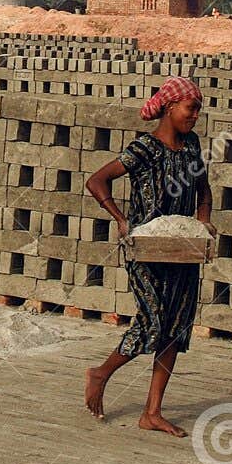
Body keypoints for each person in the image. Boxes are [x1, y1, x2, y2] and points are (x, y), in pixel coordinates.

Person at [84, 76, 213, 436]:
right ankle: (100, 373)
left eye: (198, 110)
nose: (195, 116)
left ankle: (152, 412)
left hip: (183, 250)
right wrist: (121, 219)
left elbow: (204, 190)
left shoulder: (191, 148)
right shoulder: (143, 149)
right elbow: (97, 181)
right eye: (191, 109)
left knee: (174, 330)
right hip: (147, 250)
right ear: (170, 108)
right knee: (153, 321)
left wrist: (203, 223)